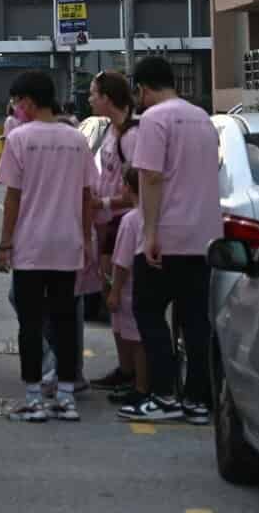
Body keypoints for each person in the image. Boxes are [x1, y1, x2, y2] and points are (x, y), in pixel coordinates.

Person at [117, 55, 221, 425]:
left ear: (142, 88)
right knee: (195, 321)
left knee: (148, 311)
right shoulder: (203, 118)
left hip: (167, 236)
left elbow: (151, 177)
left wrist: (149, 233)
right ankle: (197, 400)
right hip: (205, 236)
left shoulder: (155, 120)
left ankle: (162, 394)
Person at [0, 71, 95, 423]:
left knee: (31, 324)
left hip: (31, 246)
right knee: (66, 322)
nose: (15, 108)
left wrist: (4, 245)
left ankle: (34, 397)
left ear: (29, 102)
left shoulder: (20, 139)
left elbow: (12, 197)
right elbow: (87, 195)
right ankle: (66, 396)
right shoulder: (77, 140)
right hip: (68, 245)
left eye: (17, 101)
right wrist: (85, 238)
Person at [87, 71, 139, 394]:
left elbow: (137, 189)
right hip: (106, 223)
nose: (90, 99)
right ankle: (125, 367)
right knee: (114, 302)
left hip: (123, 222)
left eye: (94, 93)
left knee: (127, 299)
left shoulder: (131, 136)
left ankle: (137, 374)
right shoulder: (109, 131)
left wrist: (103, 201)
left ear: (108, 97)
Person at [105, 169, 148, 410]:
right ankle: (137, 380)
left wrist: (114, 290)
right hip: (144, 284)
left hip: (130, 287)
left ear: (128, 188)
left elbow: (122, 260)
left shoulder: (131, 219)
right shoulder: (155, 214)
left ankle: (141, 386)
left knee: (136, 339)